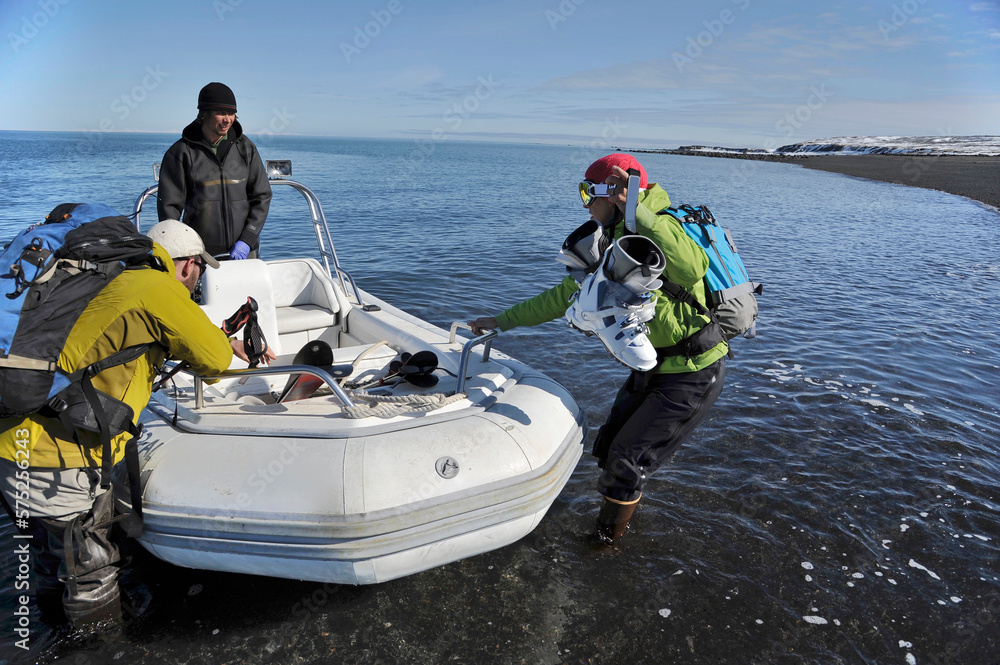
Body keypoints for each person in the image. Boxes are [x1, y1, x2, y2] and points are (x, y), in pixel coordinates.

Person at [0, 218, 264, 631]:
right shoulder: (155, 287)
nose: (195, 283)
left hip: (12, 438)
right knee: (91, 574)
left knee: (49, 561)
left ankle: (49, 632)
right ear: (187, 265)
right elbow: (213, 361)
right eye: (197, 272)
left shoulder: (104, 277)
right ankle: (98, 651)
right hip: (59, 457)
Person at [468, 154, 728, 544]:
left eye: (589, 192)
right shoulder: (611, 240)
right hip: (652, 369)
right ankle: (620, 516)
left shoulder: (662, 225)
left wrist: (640, 210)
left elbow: (692, 268)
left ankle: (606, 544)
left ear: (613, 190)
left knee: (627, 458)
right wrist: (502, 320)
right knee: (608, 447)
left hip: (693, 370)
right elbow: (563, 296)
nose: (586, 203)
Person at [157, 82, 272, 260]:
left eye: (232, 113)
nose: (228, 119)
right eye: (221, 113)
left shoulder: (246, 148)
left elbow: (262, 196)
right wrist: (181, 250)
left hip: (245, 250)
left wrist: (247, 239)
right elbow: (169, 209)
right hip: (199, 254)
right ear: (204, 114)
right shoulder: (181, 153)